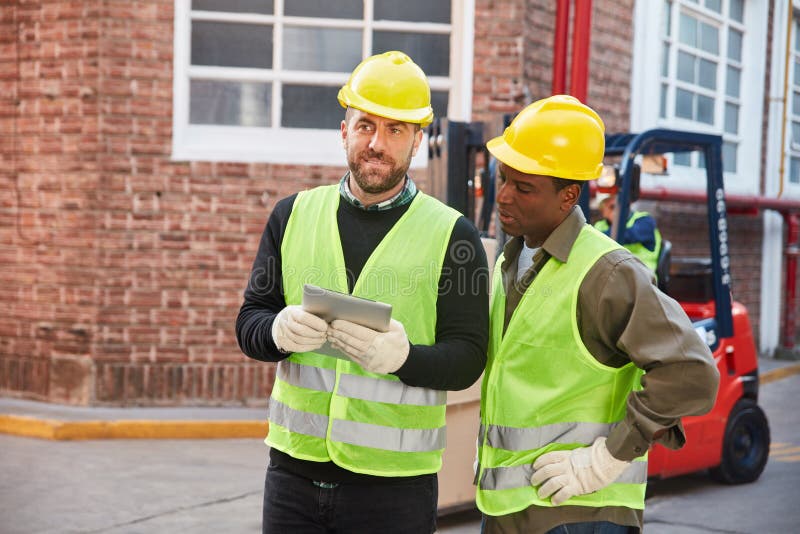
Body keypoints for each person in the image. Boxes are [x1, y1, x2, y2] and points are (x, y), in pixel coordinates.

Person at [236, 51, 489, 534]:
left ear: (417, 141)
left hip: (393, 492)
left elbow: (469, 358)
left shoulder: (455, 237)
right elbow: (249, 322)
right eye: (366, 125)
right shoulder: (291, 216)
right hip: (293, 478)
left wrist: (404, 358)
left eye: (396, 130)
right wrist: (277, 330)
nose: (377, 143)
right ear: (344, 130)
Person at [474, 95, 719, 534]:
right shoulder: (512, 260)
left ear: (569, 196)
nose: (504, 196)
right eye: (503, 178)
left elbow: (693, 373)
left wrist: (606, 458)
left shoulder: (607, 273)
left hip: (580, 512)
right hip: (513, 509)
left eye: (524, 187)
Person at [593, 192, 662, 273]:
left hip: (642, 275)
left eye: (620, 205)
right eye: (612, 207)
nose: (617, 210)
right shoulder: (599, 226)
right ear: (603, 211)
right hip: (613, 274)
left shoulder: (644, 220)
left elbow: (627, 235)